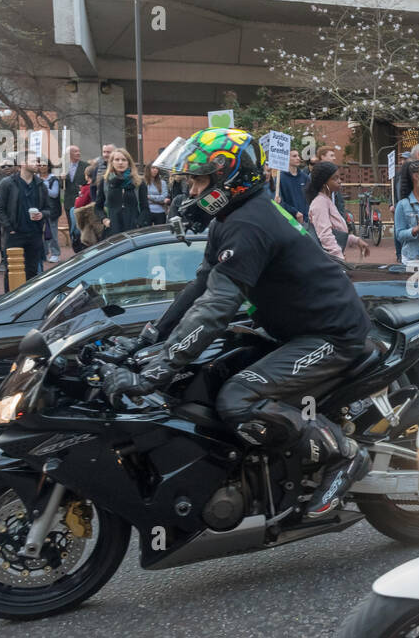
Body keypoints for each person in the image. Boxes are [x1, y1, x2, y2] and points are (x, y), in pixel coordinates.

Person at [101, 127, 372, 518]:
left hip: (331, 335)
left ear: (228, 178)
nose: (192, 192)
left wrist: (158, 370)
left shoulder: (249, 223)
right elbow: (201, 285)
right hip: (291, 330)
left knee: (237, 398)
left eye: (199, 181)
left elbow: (216, 308)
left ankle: (343, 455)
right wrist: (148, 339)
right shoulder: (231, 216)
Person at [0, 155, 48, 283]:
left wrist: (42, 214)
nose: (37, 164)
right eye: (33, 161)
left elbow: (48, 208)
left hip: (34, 234)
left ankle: (31, 296)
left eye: (38, 161)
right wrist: (9, 228)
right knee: (12, 272)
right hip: (14, 234)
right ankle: (11, 295)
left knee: (32, 272)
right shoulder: (7, 183)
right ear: (22, 163)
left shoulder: (40, 185)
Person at [307, 160, 369, 261]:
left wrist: (356, 240)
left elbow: (336, 233)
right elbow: (325, 235)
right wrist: (339, 258)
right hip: (327, 261)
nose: (339, 181)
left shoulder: (327, 200)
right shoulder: (320, 203)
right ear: (324, 183)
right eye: (335, 178)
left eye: (339, 177)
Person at [93, 147, 150, 237]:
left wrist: (138, 223)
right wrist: (105, 220)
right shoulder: (105, 181)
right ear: (112, 162)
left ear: (129, 163)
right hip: (113, 229)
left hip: (133, 230)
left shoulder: (138, 182)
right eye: (117, 160)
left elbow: (145, 208)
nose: (120, 162)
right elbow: (98, 207)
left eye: (124, 160)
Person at [63, 145, 86, 251]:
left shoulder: (85, 166)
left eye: (78, 151)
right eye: (75, 151)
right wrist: (61, 179)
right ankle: (75, 249)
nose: (78, 153)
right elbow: (61, 186)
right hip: (69, 202)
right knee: (72, 227)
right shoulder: (63, 167)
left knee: (82, 227)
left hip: (82, 201)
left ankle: (84, 247)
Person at [277, 149, 309, 222]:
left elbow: (310, 197)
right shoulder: (280, 178)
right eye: (294, 156)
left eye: (298, 156)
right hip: (290, 220)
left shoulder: (305, 177)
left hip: (306, 219)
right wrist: (295, 212)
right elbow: (279, 201)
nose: (298, 158)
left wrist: (307, 213)